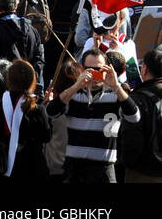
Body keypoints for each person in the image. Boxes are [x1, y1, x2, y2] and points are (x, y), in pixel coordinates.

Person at [48, 46, 140, 182]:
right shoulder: (73, 94)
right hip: (74, 169)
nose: (96, 74)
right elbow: (51, 112)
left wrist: (116, 86)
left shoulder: (115, 95)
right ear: (81, 69)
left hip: (103, 170)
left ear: (108, 69)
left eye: (100, 69)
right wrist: (76, 86)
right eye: (90, 69)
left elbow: (134, 117)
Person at [121, 49, 162, 182]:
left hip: (143, 172)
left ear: (144, 69)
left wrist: (127, 163)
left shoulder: (138, 99)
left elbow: (132, 138)